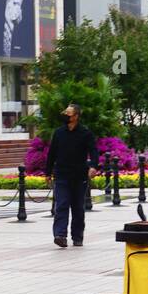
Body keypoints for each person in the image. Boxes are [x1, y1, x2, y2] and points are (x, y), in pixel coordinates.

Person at [45, 103, 98, 248]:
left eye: (68, 114)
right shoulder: (59, 133)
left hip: (79, 176)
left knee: (78, 208)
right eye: (65, 113)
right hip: (61, 175)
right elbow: (52, 154)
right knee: (61, 205)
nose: (65, 116)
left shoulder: (85, 133)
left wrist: (93, 166)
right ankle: (60, 235)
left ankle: (77, 236)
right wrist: (48, 172)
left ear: (76, 116)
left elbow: (93, 151)